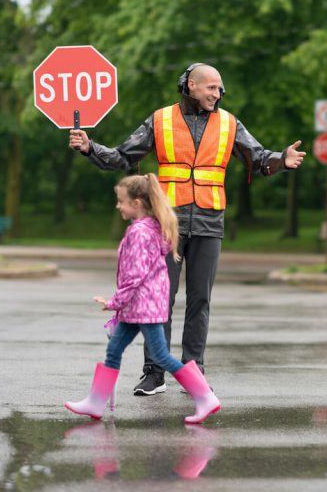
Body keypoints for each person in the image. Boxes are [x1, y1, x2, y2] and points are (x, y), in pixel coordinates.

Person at [69, 63, 306, 395]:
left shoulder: (229, 124)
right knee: (159, 299)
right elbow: (123, 157)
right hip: (167, 225)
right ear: (190, 85)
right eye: (211, 88)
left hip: (210, 222)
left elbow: (260, 158)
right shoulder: (161, 120)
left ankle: (194, 370)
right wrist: (90, 148)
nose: (218, 94)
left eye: (220, 89)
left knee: (200, 300)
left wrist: (282, 159)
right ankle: (154, 373)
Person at [64, 173, 221, 424]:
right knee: (114, 348)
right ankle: (95, 402)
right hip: (139, 307)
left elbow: (134, 276)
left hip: (144, 307)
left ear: (137, 203)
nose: (118, 206)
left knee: (161, 356)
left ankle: (204, 397)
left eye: (121, 201)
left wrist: (114, 302)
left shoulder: (140, 232)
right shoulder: (149, 228)